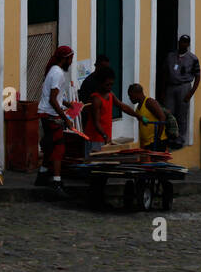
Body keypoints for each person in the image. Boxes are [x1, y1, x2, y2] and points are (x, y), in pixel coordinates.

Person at [36, 45, 74, 191]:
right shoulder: (57, 73)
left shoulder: (53, 70)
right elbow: (52, 99)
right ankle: (56, 182)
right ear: (65, 59)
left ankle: (42, 174)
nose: (71, 62)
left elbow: (53, 96)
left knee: (50, 145)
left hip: (46, 113)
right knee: (59, 147)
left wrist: (66, 103)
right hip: (50, 115)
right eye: (71, 59)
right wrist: (66, 119)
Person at [82, 68, 137, 154]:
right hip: (95, 139)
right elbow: (96, 122)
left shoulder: (110, 94)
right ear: (100, 83)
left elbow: (123, 107)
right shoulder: (96, 99)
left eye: (111, 84)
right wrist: (105, 135)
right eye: (107, 85)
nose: (110, 87)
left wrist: (138, 116)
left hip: (104, 138)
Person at [163, 35, 201, 146]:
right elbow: (164, 73)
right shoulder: (170, 56)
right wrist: (163, 90)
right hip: (170, 86)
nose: (183, 44)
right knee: (169, 113)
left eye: (185, 42)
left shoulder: (193, 59)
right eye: (181, 42)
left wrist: (191, 92)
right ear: (178, 42)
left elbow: (198, 76)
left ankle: (180, 139)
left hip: (184, 87)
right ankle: (170, 137)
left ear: (188, 44)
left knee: (182, 114)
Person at [126, 83, 169, 152]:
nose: (130, 98)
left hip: (157, 143)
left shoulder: (149, 102)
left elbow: (162, 117)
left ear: (138, 93)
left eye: (131, 96)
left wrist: (158, 138)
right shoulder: (138, 108)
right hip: (147, 144)